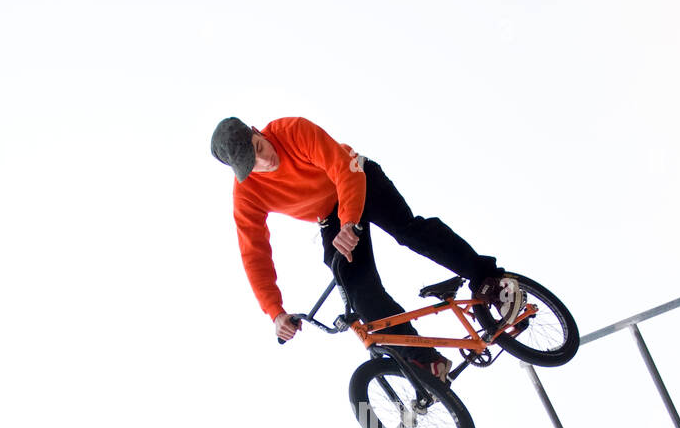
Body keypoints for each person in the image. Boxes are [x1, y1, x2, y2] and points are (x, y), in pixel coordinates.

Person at [210, 114, 519, 381]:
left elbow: (343, 168)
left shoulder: (291, 130)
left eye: (260, 148)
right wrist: (275, 312)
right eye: (254, 164)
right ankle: (427, 361)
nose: (265, 161)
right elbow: (254, 253)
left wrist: (349, 222)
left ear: (258, 131)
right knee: (357, 289)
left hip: (359, 176)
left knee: (408, 231)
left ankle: (489, 279)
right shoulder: (246, 195)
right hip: (329, 214)